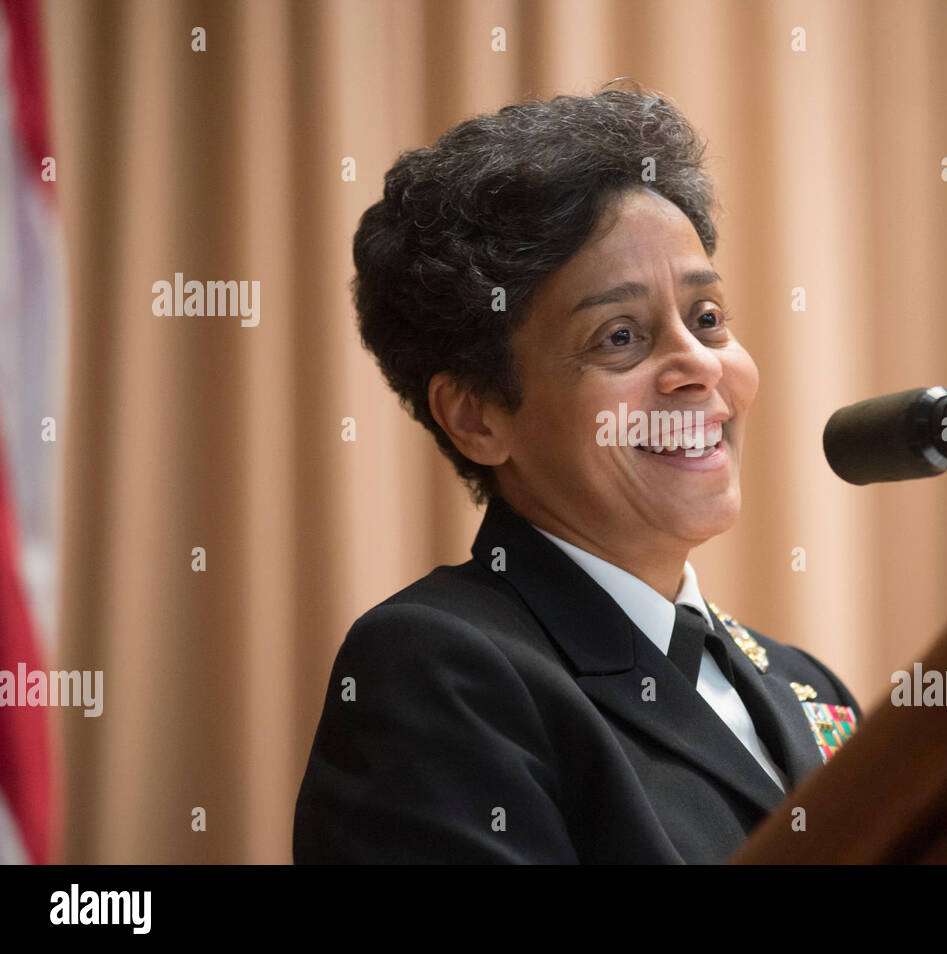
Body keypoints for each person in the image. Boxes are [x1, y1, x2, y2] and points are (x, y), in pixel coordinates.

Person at [293, 85, 861, 864]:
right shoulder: (438, 669)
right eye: (620, 335)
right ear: (478, 415)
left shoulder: (809, 687)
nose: (698, 365)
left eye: (707, 318)